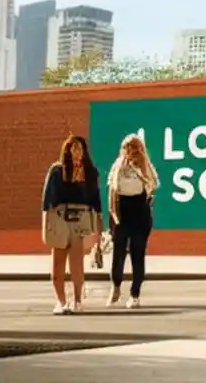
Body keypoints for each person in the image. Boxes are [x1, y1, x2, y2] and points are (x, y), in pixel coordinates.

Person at [41, 135, 104, 315]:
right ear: (67, 150)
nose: (76, 152)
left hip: (80, 219)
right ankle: (61, 301)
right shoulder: (57, 170)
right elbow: (47, 201)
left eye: (80, 148)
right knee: (57, 264)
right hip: (59, 217)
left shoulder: (90, 172)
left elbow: (95, 201)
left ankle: (77, 300)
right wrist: (47, 224)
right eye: (73, 148)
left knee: (77, 263)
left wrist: (98, 229)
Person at [106, 134, 158, 308]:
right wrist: (113, 215)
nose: (131, 151)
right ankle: (116, 285)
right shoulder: (118, 166)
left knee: (138, 252)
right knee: (119, 252)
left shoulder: (145, 166)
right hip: (122, 209)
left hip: (139, 210)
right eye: (128, 147)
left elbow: (152, 186)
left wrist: (141, 165)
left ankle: (135, 294)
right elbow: (112, 191)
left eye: (135, 147)